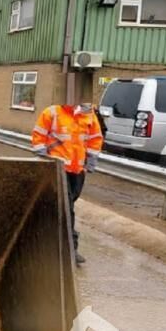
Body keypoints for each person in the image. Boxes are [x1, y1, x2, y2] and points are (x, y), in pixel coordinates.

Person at [31, 103, 103, 265]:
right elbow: (39, 136)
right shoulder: (53, 112)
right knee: (67, 208)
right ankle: (70, 249)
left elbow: (95, 138)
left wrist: (90, 162)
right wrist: (44, 159)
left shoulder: (89, 113)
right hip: (58, 169)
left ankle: (46, 241)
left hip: (77, 171)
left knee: (65, 206)